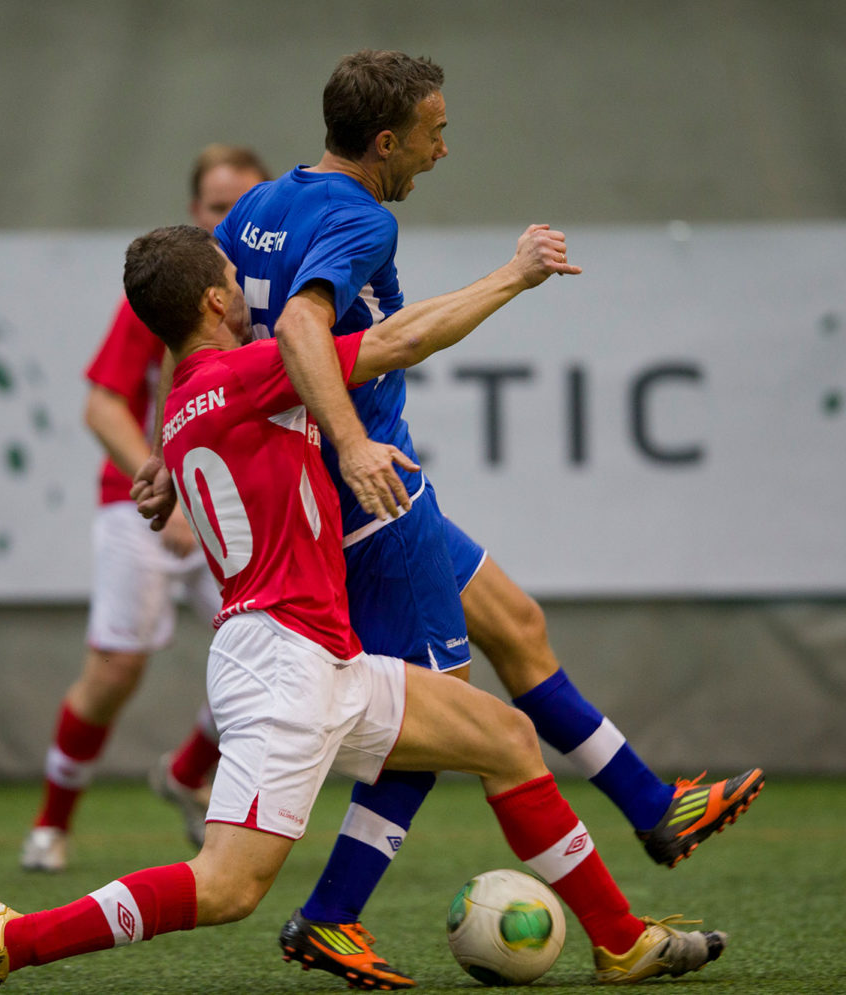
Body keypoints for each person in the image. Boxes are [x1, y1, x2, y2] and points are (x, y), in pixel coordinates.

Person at [0, 224, 728, 995]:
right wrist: (516, 273)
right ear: (211, 305)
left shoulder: (191, 397)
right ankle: (9, 939)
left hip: (319, 654)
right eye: (234, 281)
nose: (246, 290)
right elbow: (401, 341)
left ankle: (622, 940)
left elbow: (202, 430)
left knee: (508, 737)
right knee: (227, 889)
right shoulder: (249, 372)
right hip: (281, 665)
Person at [194, 50, 759, 989]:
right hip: (375, 503)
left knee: (515, 624)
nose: (442, 148)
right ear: (384, 142)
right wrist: (357, 438)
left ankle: (655, 805)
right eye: (433, 131)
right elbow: (300, 331)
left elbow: (231, 345)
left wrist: (187, 449)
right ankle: (337, 914)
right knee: (453, 717)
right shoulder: (360, 216)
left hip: (351, 493)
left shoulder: (259, 205)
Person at [20, 145, 270, 871]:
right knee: (117, 667)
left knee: (277, 646)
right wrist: (164, 481)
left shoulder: (269, 292)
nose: (231, 219)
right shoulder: (170, 292)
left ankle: (191, 769)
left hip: (225, 503)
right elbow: (102, 406)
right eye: (218, 206)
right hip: (146, 505)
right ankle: (50, 823)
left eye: (245, 204)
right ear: (195, 214)